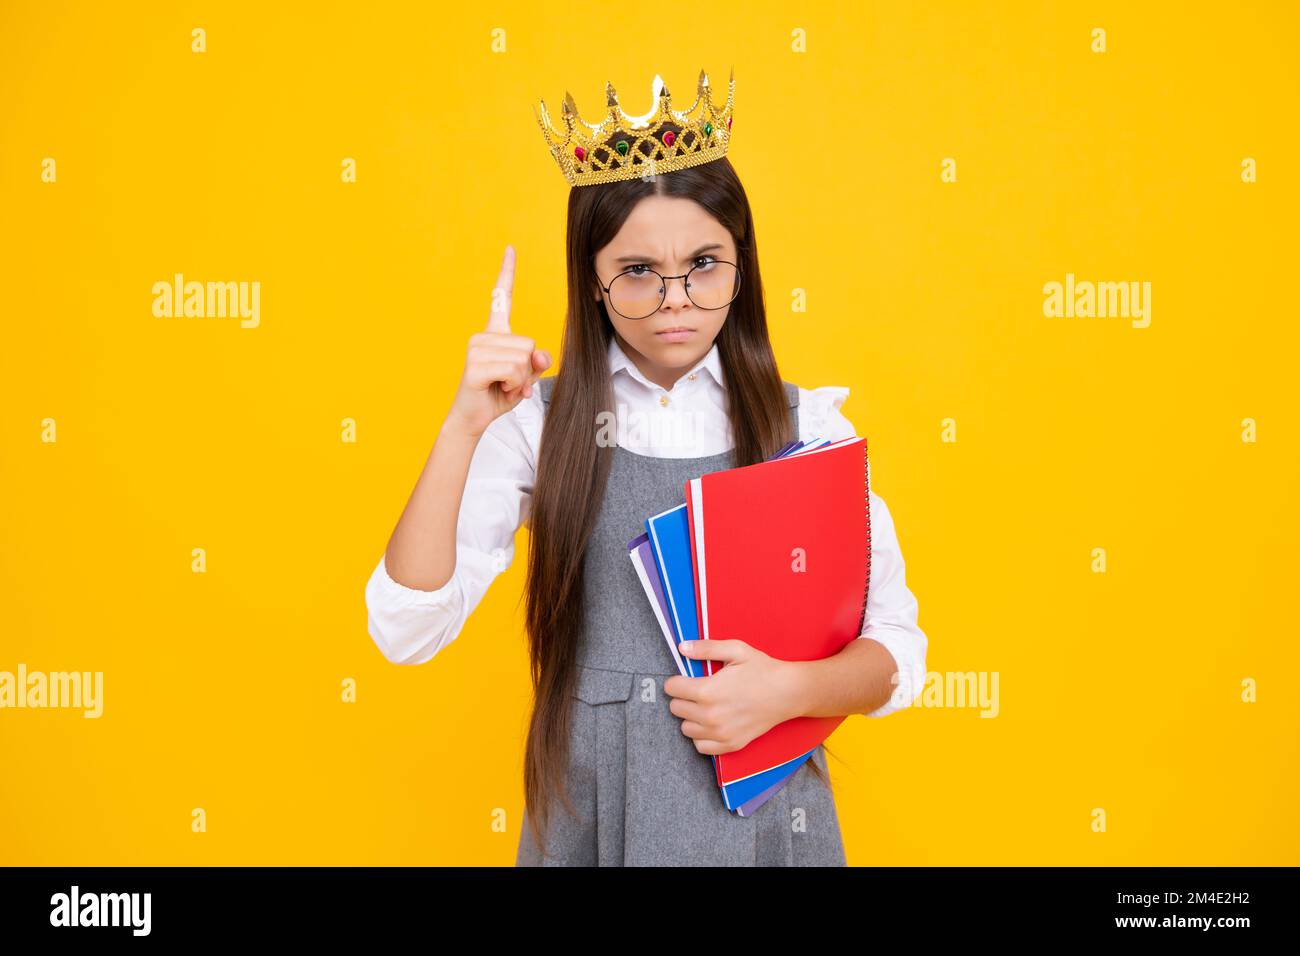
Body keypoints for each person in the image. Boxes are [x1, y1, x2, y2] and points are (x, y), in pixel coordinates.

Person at [365, 69, 927, 865]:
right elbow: (405, 628)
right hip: (594, 817)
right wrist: (463, 425)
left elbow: (896, 654)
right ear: (591, 283)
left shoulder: (808, 427)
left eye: (704, 263)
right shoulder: (541, 426)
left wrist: (786, 693)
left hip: (766, 825)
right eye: (636, 272)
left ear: (743, 264)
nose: (675, 299)